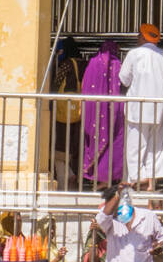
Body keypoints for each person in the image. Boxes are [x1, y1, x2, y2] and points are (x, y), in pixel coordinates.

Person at [118, 24, 163, 192]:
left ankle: (138, 178)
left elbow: (124, 79)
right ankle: (151, 183)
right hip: (159, 109)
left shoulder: (133, 54)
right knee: (156, 147)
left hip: (137, 108)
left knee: (135, 146)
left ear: (143, 37)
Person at [81, 39, 125, 187]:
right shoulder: (117, 64)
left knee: (96, 139)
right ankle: (109, 178)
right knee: (114, 141)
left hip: (95, 109)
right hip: (115, 110)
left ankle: (96, 177)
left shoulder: (93, 63)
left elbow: (85, 87)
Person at [50, 37, 83, 187]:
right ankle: (70, 173)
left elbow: (56, 84)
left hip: (63, 111)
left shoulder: (67, 64)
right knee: (72, 146)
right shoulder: (83, 63)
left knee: (58, 147)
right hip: (80, 111)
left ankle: (64, 180)